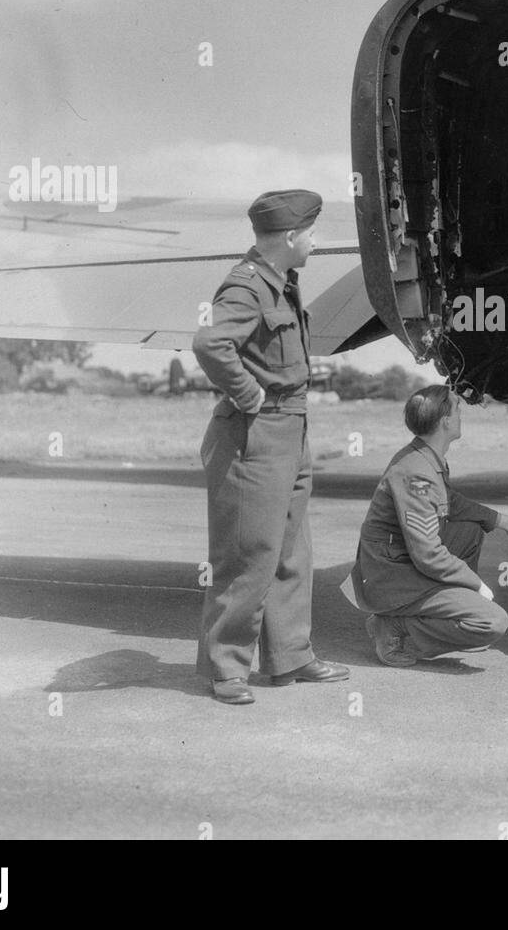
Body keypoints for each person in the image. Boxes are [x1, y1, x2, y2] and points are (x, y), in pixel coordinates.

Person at [193, 189, 349, 705]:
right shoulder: (247, 285)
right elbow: (210, 342)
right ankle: (227, 669)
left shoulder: (281, 283)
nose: (314, 241)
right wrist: (247, 391)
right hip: (254, 434)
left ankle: (290, 657)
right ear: (289, 237)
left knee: (291, 552)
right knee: (248, 555)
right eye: (310, 233)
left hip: (290, 429)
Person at [343, 386, 508, 666]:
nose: (461, 416)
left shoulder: (425, 457)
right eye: (457, 410)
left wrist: (503, 522)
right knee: (491, 622)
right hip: (391, 578)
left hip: (399, 562)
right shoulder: (416, 473)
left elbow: (450, 502)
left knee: (470, 530)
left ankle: (446, 615)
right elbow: (427, 554)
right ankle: (395, 630)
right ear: (445, 421)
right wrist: (476, 584)